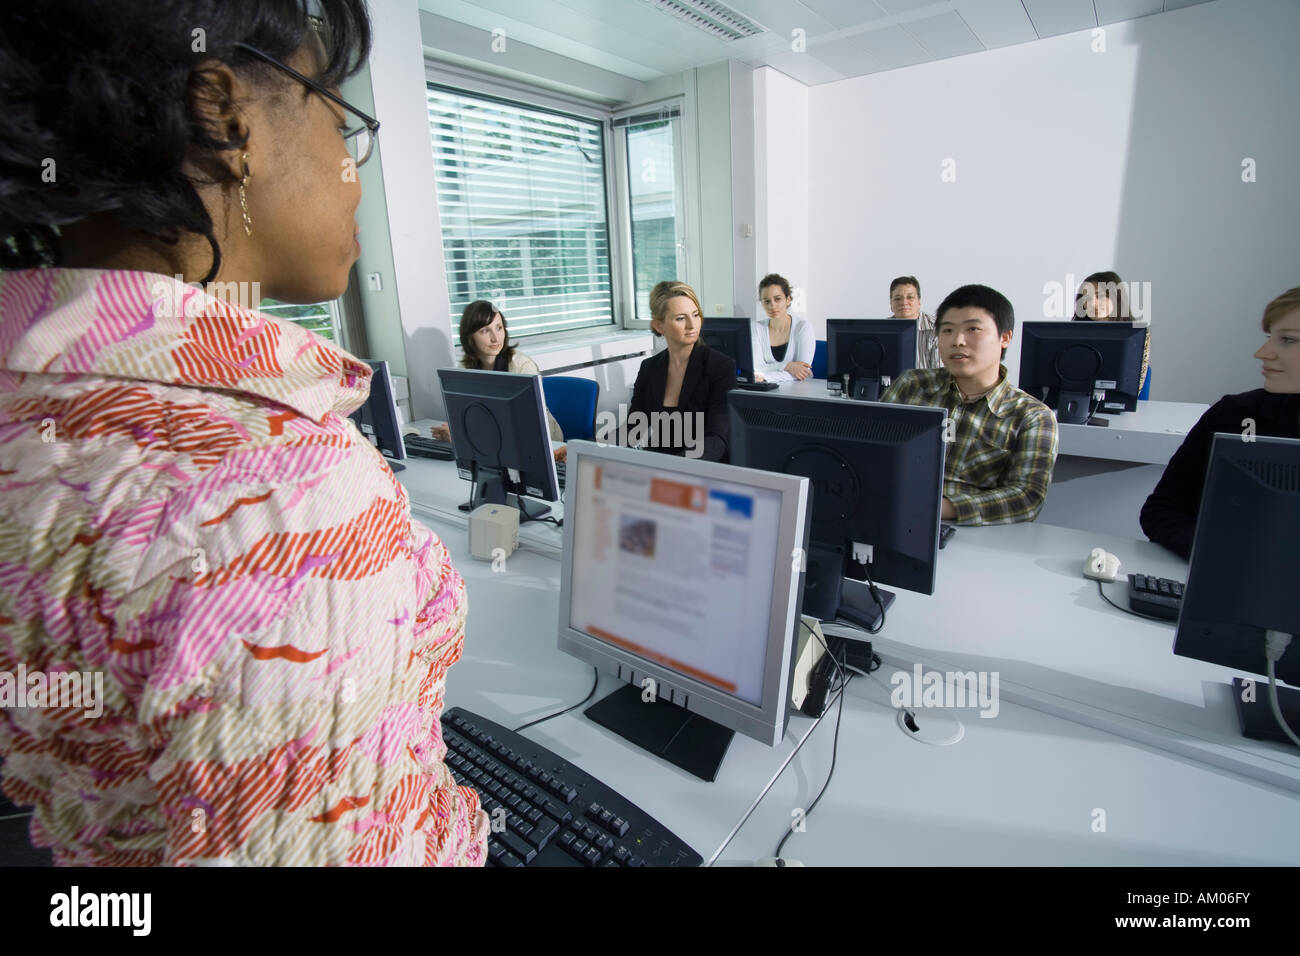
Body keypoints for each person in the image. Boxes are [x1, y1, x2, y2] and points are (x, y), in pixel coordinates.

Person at [0, 1, 488, 866]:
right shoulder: (280, 497)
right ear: (226, 116)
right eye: (343, 126)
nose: (354, 173)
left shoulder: (32, 406)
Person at [1140, 287, 1300, 559]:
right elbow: (1162, 510)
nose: (1262, 353)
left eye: (1287, 340)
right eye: (1269, 337)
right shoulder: (1234, 415)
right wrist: (1223, 554)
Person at [881, 285, 1059, 525]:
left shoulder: (1032, 416)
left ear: (1005, 337)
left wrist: (939, 508)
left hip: (972, 533)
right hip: (892, 519)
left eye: (973, 329)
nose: (957, 341)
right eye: (947, 330)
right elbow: (871, 453)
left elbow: (1027, 498)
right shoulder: (912, 385)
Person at [431, 301, 564, 446]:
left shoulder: (522, 366)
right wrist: (455, 431)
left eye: (499, 328)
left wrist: (463, 433)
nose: (495, 338)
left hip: (544, 441)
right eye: (485, 331)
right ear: (470, 337)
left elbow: (528, 424)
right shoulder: (464, 369)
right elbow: (466, 417)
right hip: (494, 443)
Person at [629, 281, 736, 462]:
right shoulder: (649, 368)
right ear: (659, 326)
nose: (692, 325)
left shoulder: (720, 367)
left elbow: (718, 437)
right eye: (680, 318)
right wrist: (586, 447)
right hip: (660, 466)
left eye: (695, 315)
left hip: (704, 467)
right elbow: (632, 428)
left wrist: (678, 465)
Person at [1072, 270, 1150, 394]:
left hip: (1117, 401)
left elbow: (1135, 382)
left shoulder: (1136, 333)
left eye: (1100, 296)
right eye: (1086, 298)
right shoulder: (1072, 332)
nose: (1093, 303)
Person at [753, 273, 815, 382]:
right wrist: (788, 366)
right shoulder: (756, 328)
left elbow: (802, 373)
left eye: (777, 299)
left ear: (788, 300)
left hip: (799, 390)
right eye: (767, 301)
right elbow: (757, 367)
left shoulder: (803, 327)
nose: (772, 305)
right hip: (765, 390)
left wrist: (765, 377)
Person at [890, 276, 939, 371]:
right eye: (897, 298)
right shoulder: (883, 329)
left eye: (910, 297)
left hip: (928, 385)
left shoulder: (937, 329)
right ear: (891, 304)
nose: (904, 303)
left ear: (919, 302)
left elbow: (941, 375)